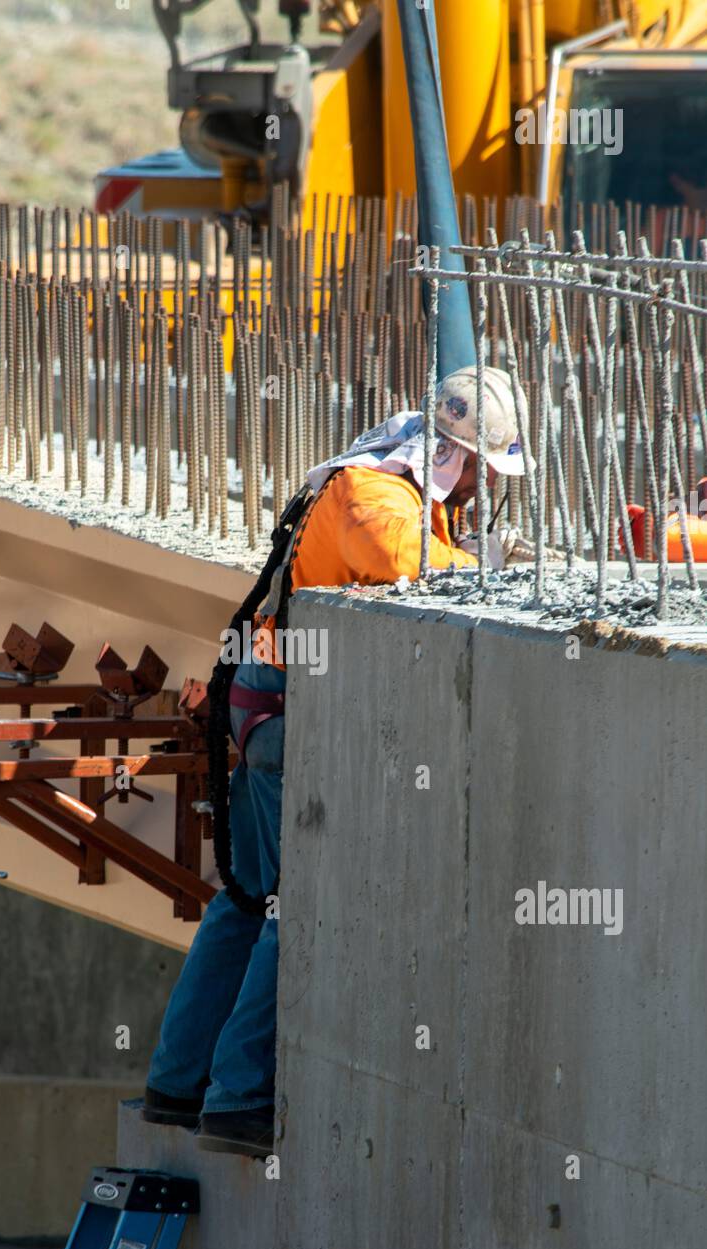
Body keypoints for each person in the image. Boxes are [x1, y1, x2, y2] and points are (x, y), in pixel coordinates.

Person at [143, 365, 533, 1158]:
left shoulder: (386, 486)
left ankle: (177, 1084)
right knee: (298, 907)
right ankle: (238, 1096)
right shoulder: (376, 499)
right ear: (453, 454)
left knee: (248, 900)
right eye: (479, 472)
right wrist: (493, 571)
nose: (477, 490)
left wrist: (474, 553)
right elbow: (406, 564)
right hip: (287, 718)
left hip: (269, 703)